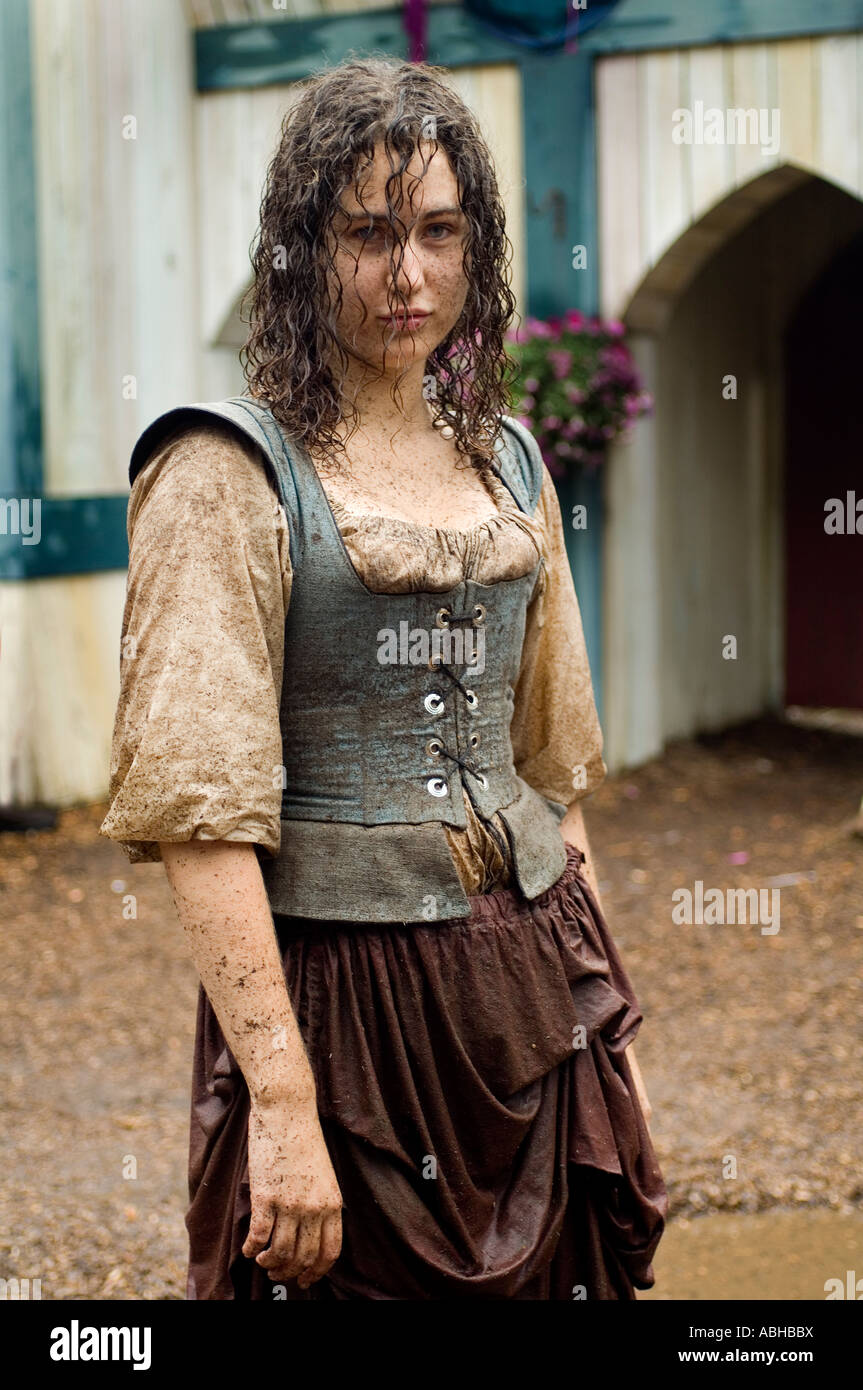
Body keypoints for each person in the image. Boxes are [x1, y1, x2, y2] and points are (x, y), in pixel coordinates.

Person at [100, 55, 667, 1300]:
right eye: (366, 234)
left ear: (476, 248)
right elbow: (203, 820)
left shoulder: (509, 465)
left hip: (525, 998)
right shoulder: (225, 469)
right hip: (344, 1008)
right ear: (303, 251)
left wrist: (601, 1028)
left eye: (437, 231)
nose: (407, 275)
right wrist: (284, 1099)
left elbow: (547, 778)